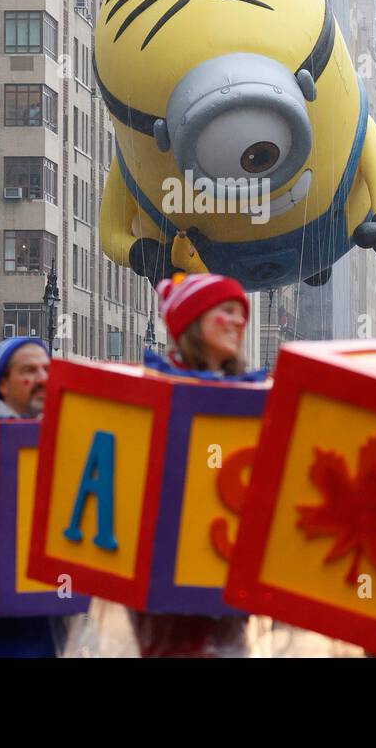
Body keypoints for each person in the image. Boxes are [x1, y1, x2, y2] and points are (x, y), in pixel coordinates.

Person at [132, 274, 266, 656]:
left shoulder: (255, 396)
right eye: (227, 311)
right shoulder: (150, 390)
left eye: (242, 314)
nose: (240, 322)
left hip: (230, 576)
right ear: (192, 321)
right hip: (165, 586)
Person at [0, 335, 68, 657]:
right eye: (29, 370)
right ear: (3, 384)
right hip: (7, 596)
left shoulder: (63, 432)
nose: (42, 379)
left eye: (46, 369)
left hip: (57, 590)